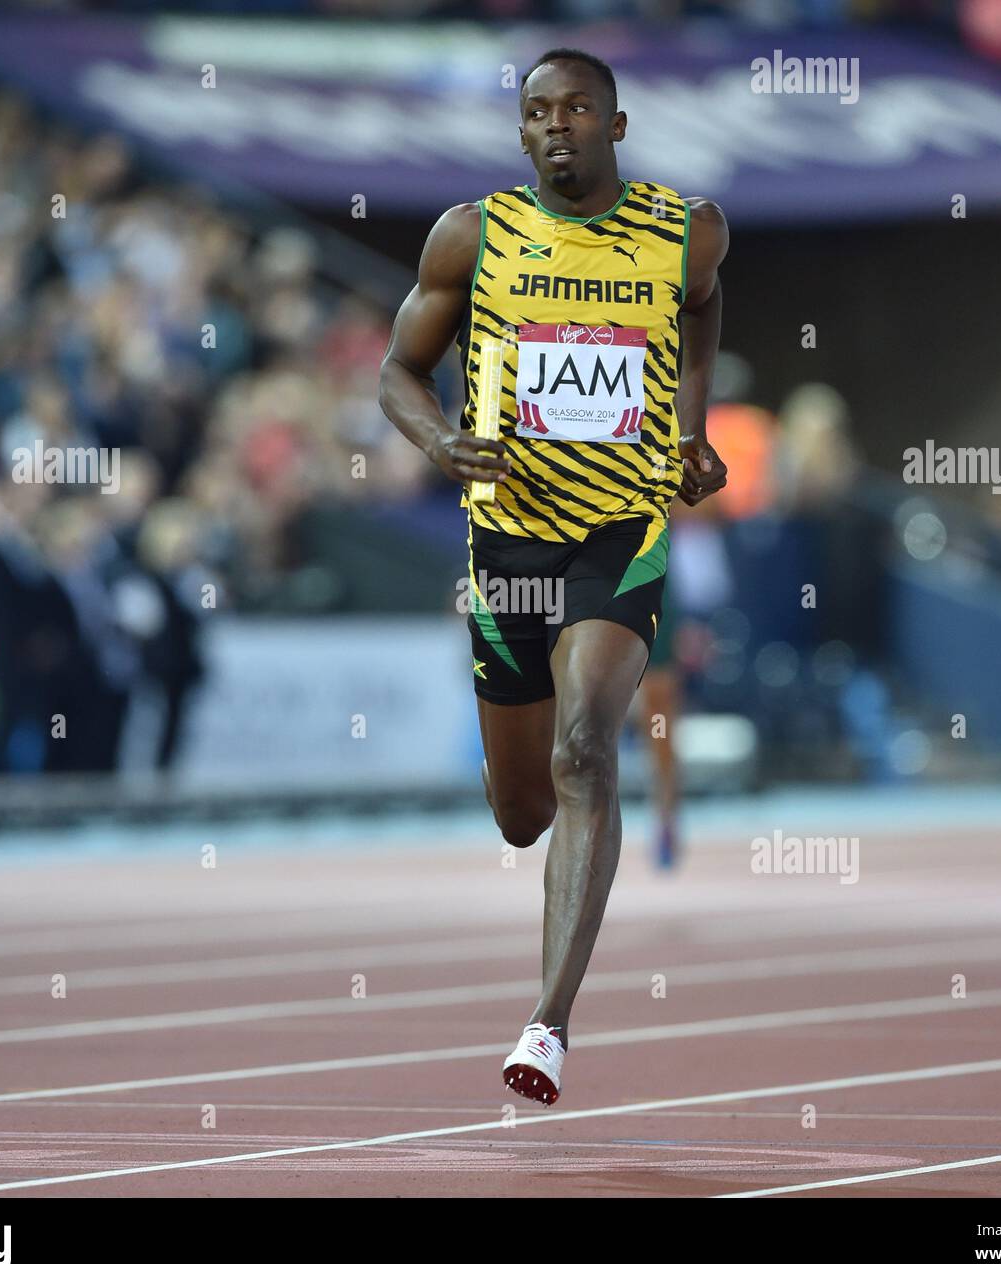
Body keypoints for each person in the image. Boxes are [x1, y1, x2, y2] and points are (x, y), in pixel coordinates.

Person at [378, 47, 727, 1105]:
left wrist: (689, 429)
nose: (557, 125)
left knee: (588, 745)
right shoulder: (470, 235)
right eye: (537, 112)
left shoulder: (686, 230)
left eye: (577, 108)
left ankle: (547, 1024)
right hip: (507, 543)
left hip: (619, 531)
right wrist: (441, 444)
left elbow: (702, 307)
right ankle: (516, 776)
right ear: (520, 133)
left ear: (616, 127)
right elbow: (398, 371)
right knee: (525, 809)